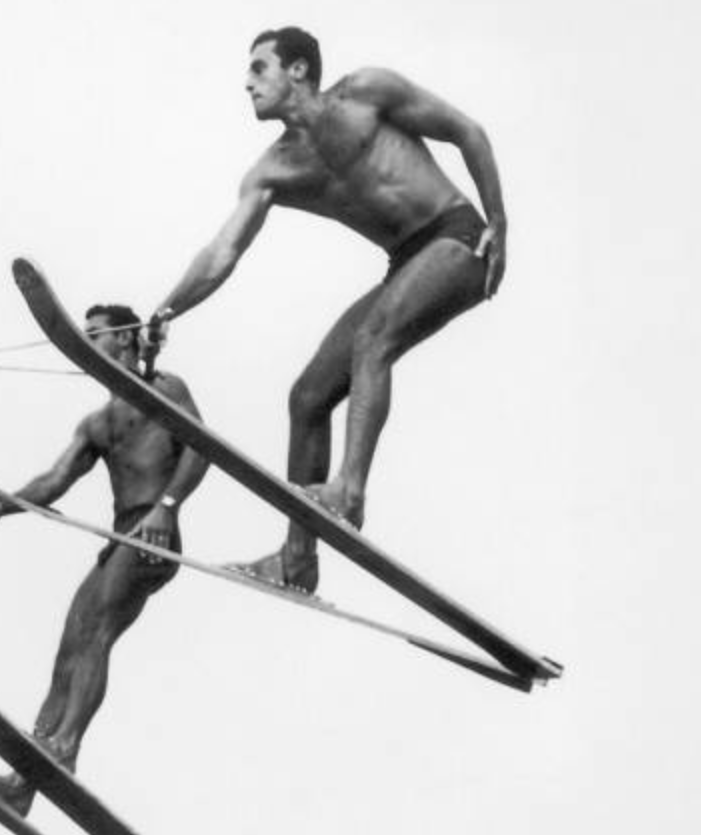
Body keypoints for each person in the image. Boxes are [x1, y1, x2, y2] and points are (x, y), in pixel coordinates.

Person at [150, 25, 507, 588]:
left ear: (297, 70)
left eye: (258, 69)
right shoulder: (274, 170)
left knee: (372, 341)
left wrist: (500, 223)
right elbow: (223, 252)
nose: (247, 84)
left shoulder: (367, 92)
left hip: (458, 237)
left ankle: (349, 489)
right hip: (406, 262)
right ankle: (297, 560)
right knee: (308, 396)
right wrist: (165, 310)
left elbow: (468, 131)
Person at [0, 305, 206, 815]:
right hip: (121, 535)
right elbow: (54, 482)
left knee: (97, 632)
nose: (86, 344)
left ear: (123, 337)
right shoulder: (97, 423)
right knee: (69, 648)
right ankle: (22, 781)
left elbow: (201, 449)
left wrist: (168, 507)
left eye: (94, 335)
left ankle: (66, 746)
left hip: (153, 531)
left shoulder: (164, 389)